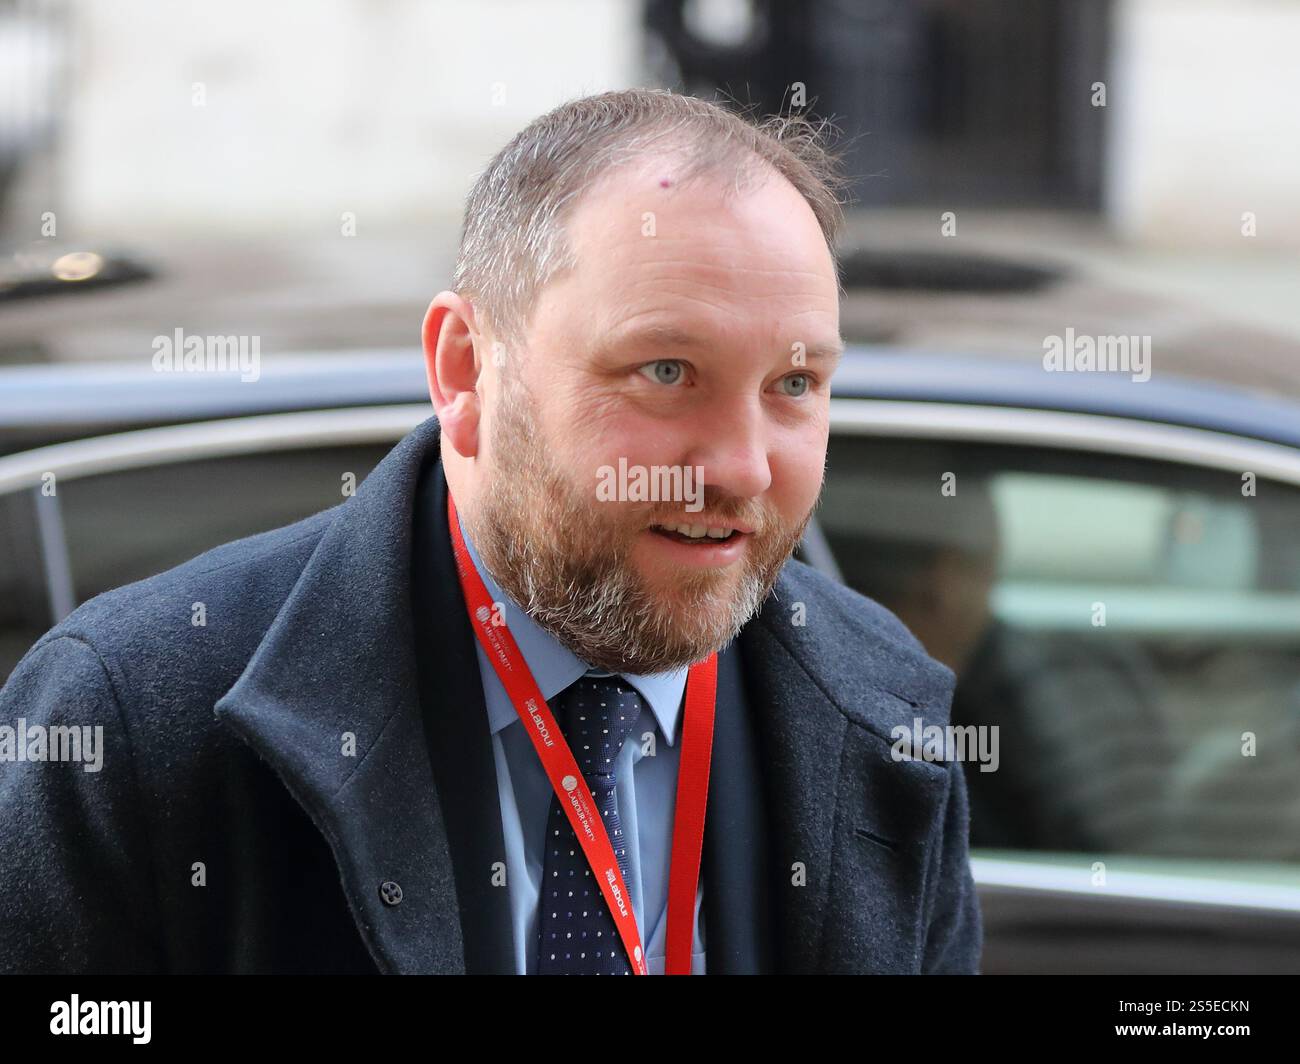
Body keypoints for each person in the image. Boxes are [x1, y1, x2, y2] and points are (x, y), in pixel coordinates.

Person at [0, 89, 980, 974]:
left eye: (795, 384)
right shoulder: (133, 720)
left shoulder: (882, 711)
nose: (741, 466)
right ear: (465, 370)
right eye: (667, 370)